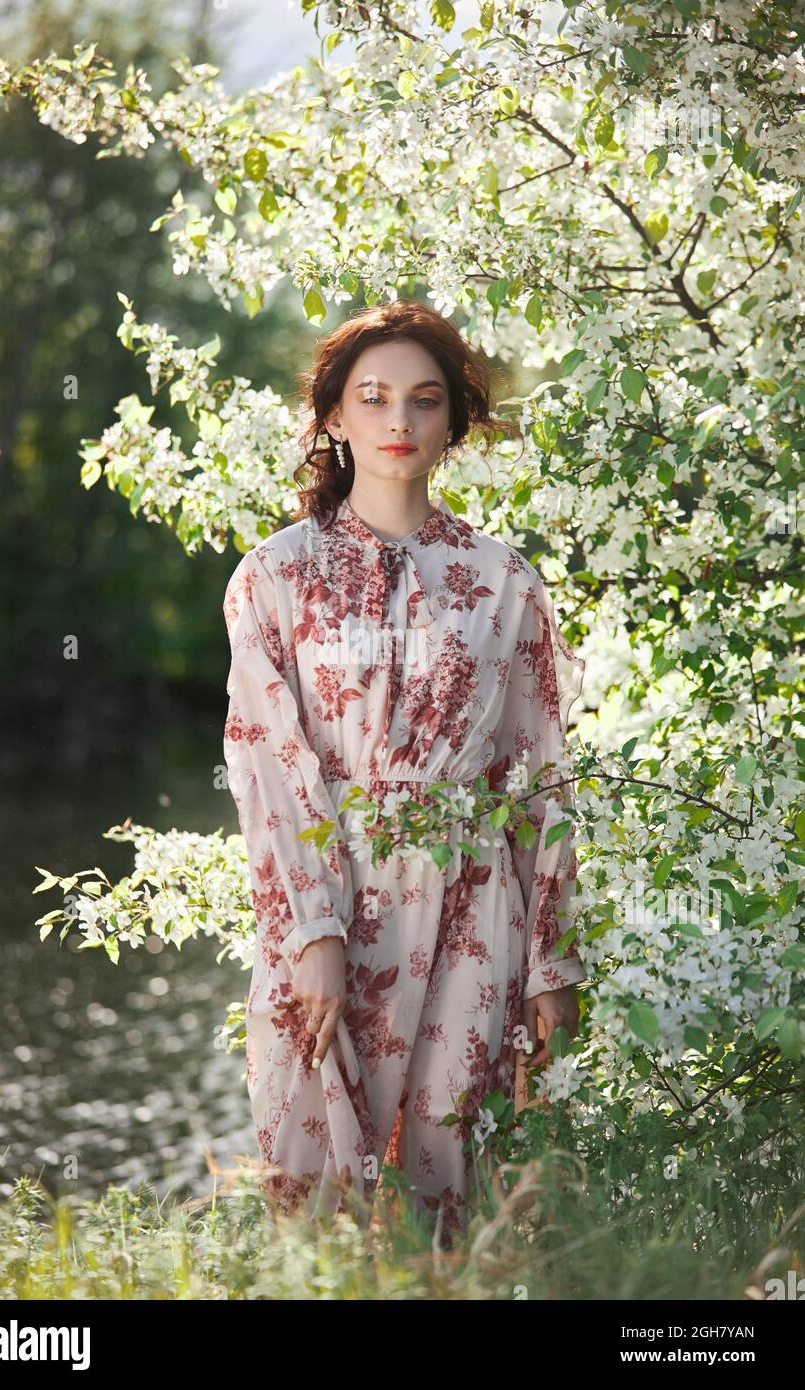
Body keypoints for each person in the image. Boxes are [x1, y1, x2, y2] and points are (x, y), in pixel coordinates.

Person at [222, 298, 588, 1245]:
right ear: (334, 416)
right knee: (319, 1195)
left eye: (425, 400)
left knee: (450, 1177)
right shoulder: (275, 576)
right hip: (331, 895)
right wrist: (312, 931)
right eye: (373, 398)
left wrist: (552, 956)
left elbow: (539, 773)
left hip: (475, 903)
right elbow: (267, 766)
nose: (399, 421)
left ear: (452, 422)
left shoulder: (504, 579)